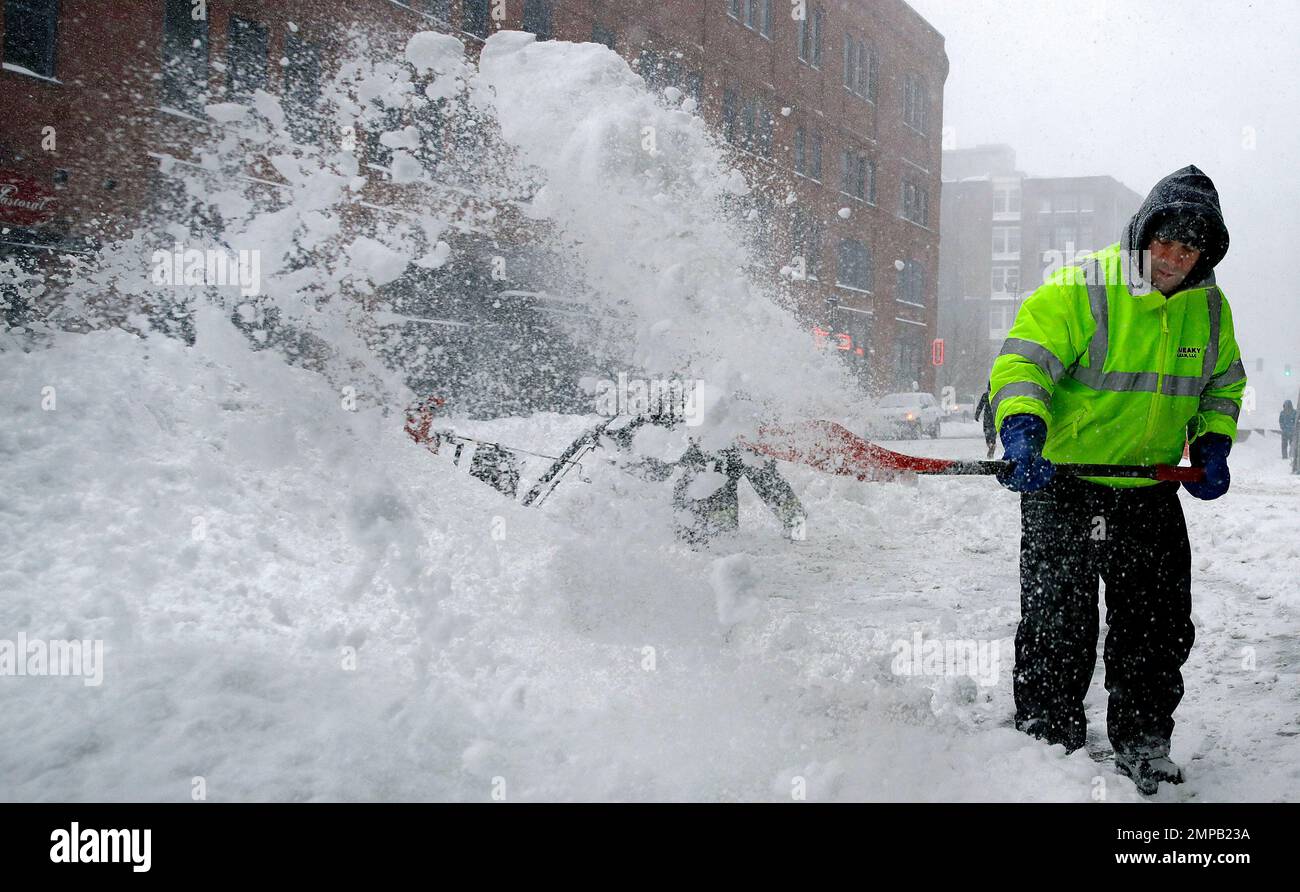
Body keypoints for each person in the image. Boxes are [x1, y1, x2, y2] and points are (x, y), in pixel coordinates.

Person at [988, 165, 1246, 795]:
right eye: (1165, 241)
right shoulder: (1086, 286)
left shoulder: (1210, 310)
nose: (1173, 257)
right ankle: (1048, 734)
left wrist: (1211, 441)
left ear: (1205, 254)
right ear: (1143, 234)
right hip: (1065, 485)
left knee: (1157, 621)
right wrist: (1023, 430)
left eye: (1189, 248)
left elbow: (1223, 384)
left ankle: (1144, 737)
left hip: (1148, 490)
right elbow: (1024, 361)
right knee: (1059, 616)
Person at [973, 388, 997, 458]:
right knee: (993, 435)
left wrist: (977, 415)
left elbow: (980, 405)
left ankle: (990, 445)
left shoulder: (986, 395)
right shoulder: (997, 394)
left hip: (987, 418)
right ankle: (992, 445)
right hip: (995, 417)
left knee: (987, 434)